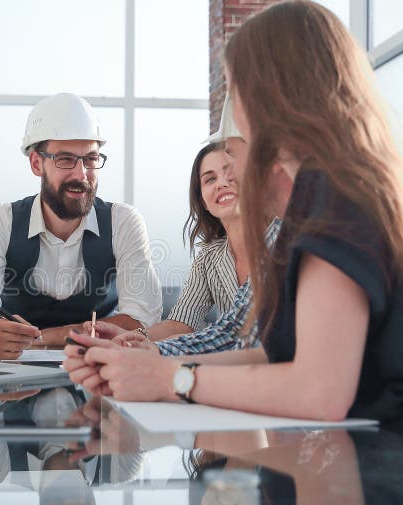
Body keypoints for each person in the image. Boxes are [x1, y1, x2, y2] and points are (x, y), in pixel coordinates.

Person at [63, 0, 403, 471]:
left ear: (270, 100)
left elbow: (317, 390)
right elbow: (273, 360)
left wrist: (172, 379)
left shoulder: (338, 203)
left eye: (238, 93)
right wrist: (140, 371)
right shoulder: (348, 190)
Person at [0, 93, 162, 360]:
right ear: (36, 163)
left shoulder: (123, 221)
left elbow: (140, 318)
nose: (81, 175)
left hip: (97, 371)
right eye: (65, 160)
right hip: (12, 376)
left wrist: (44, 338)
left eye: (90, 159)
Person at [88, 98, 284, 355]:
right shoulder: (209, 258)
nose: (222, 183)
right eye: (210, 179)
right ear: (202, 199)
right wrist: (133, 339)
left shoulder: (284, 238)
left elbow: (233, 335)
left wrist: (152, 351)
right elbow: (184, 323)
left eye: (230, 171)